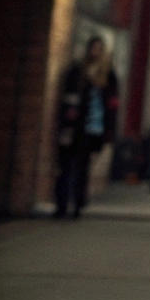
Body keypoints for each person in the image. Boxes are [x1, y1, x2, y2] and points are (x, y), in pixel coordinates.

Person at [54, 36, 119, 218]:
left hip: (92, 129)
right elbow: (68, 97)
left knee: (82, 167)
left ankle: (77, 205)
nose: (95, 52)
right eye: (93, 48)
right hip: (73, 127)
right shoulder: (77, 71)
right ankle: (62, 204)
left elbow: (112, 105)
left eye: (99, 48)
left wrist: (108, 131)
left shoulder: (107, 75)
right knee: (65, 166)